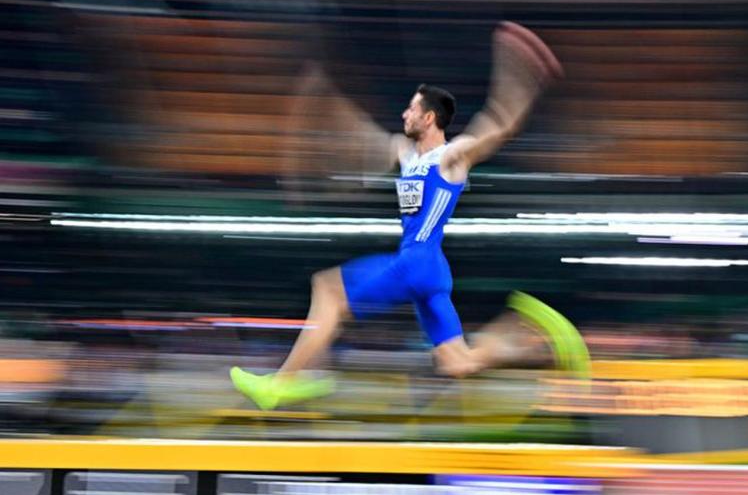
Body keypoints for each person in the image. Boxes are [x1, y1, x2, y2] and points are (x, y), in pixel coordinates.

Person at [231, 22, 587, 410]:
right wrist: (327, 105)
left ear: (430, 118)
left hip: (417, 261)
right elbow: (363, 141)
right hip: (429, 270)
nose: (404, 113)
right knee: (458, 362)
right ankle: (536, 339)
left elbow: (499, 124)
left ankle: (283, 384)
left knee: (328, 290)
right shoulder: (407, 152)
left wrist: (520, 73)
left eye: (412, 109)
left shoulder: (452, 157)